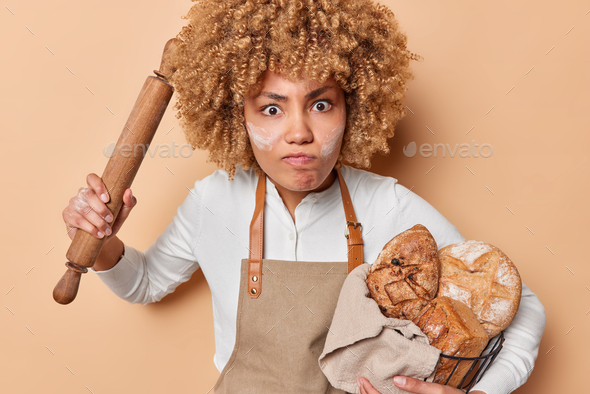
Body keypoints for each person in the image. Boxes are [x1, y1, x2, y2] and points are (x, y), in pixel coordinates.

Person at [61, 1, 546, 393]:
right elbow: (144, 283)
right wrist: (101, 243)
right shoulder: (214, 200)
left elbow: (523, 307)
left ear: (352, 108)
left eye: (320, 104)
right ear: (237, 117)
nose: (299, 132)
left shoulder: (388, 207)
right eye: (271, 108)